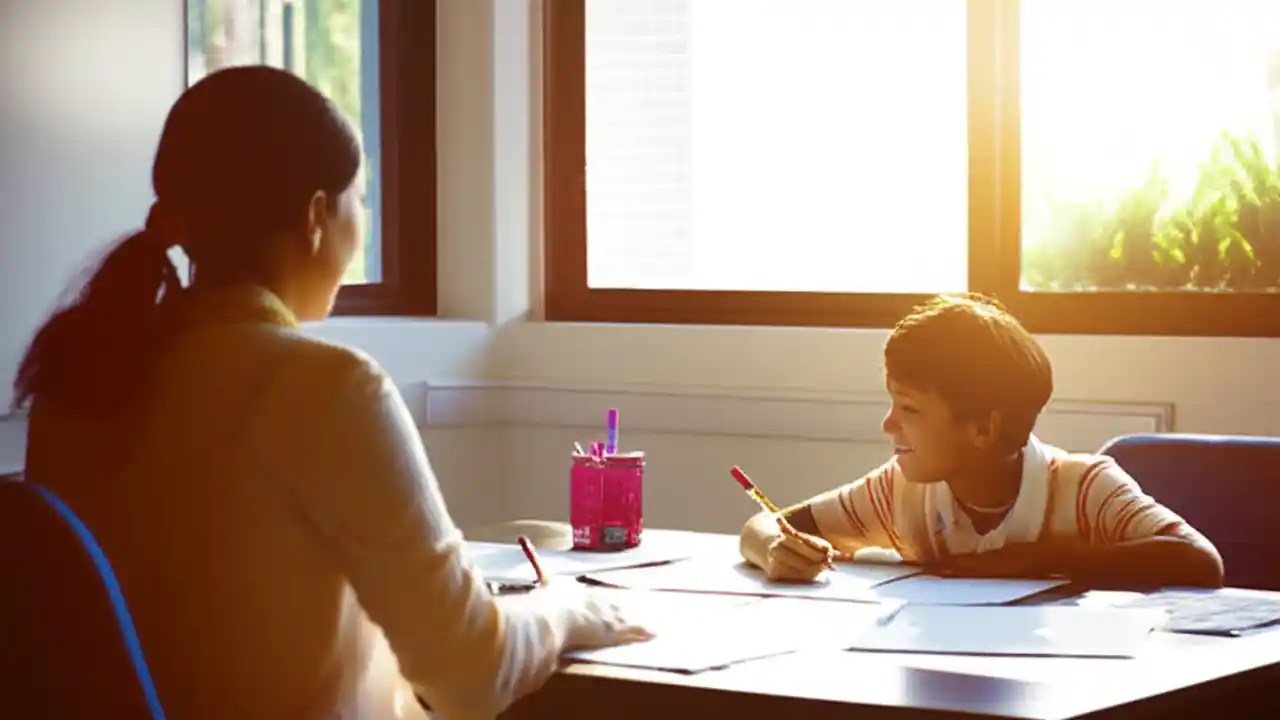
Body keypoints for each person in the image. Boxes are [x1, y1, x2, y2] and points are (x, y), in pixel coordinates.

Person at [13, 66, 647, 719]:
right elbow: (472, 675)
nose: (362, 222)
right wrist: (567, 610)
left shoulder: (74, 387)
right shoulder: (327, 387)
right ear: (317, 215)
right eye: (361, 200)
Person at [740, 293, 1224, 589]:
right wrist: (774, 550)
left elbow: (1201, 562)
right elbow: (765, 525)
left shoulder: (1083, 488)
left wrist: (1041, 559)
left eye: (910, 409)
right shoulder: (901, 491)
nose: (888, 425)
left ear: (984, 429)